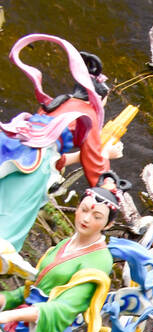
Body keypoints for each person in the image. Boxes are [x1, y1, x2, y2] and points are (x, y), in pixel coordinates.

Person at [0, 182, 118, 332]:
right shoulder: (64, 243)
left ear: (108, 225)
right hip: (22, 317)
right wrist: (6, 300)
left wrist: (7, 315)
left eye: (96, 216)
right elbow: (33, 287)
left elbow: (62, 309)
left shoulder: (100, 260)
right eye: (84, 209)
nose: (86, 218)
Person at [0, 35, 121, 255]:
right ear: (96, 97)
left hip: (21, 150)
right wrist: (110, 184)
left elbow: (51, 152)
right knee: (16, 211)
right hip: (35, 167)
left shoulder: (58, 102)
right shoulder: (87, 114)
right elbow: (92, 161)